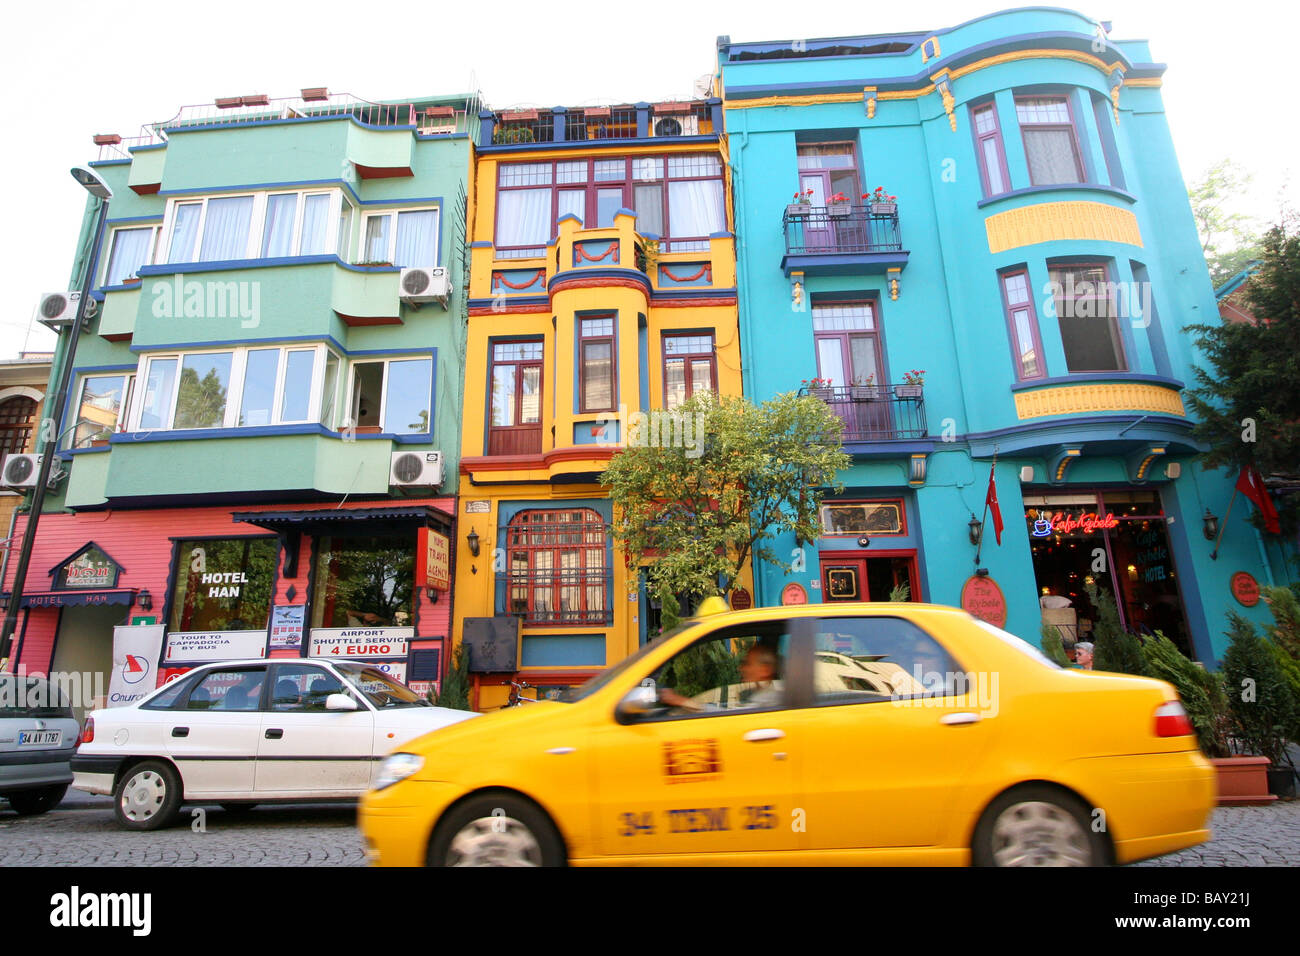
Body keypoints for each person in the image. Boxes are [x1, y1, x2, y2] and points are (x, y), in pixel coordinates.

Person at [659, 644, 782, 711]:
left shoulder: (768, 698)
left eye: (747, 664)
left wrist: (681, 701)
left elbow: (731, 717)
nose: (741, 668)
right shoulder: (759, 692)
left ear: (765, 670)